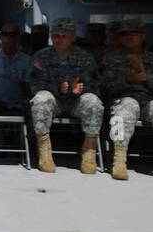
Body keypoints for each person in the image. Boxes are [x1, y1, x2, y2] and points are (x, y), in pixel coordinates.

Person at [100, 18, 153, 182]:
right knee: (123, 108)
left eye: (134, 33)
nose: (129, 37)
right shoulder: (111, 59)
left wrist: (146, 76)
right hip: (124, 98)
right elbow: (104, 88)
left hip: (150, 100)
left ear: (143, 36)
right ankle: (118, 159)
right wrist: (127, 80)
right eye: (124, 34)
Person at [28, 17, 104, 174]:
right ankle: (44, 151)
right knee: (41, 99)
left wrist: (81, 90)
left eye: (64, 36)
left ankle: (89, 151)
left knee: (93, 102)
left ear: (73, 37)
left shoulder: (85, 57)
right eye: (56, 35)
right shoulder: (41, 56)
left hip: (77, 103)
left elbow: (95, 84)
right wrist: (58, 89)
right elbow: (36, 84)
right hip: (55, 102)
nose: (59, 39)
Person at [0, 23, 33, 115]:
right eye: (5, 34)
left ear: (18, 37)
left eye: (12, 35)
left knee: (36, 107)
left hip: (22, 101)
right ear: (0, 36)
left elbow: (32, 87)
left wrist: (19, 85)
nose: (8, 38)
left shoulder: (28, 60)